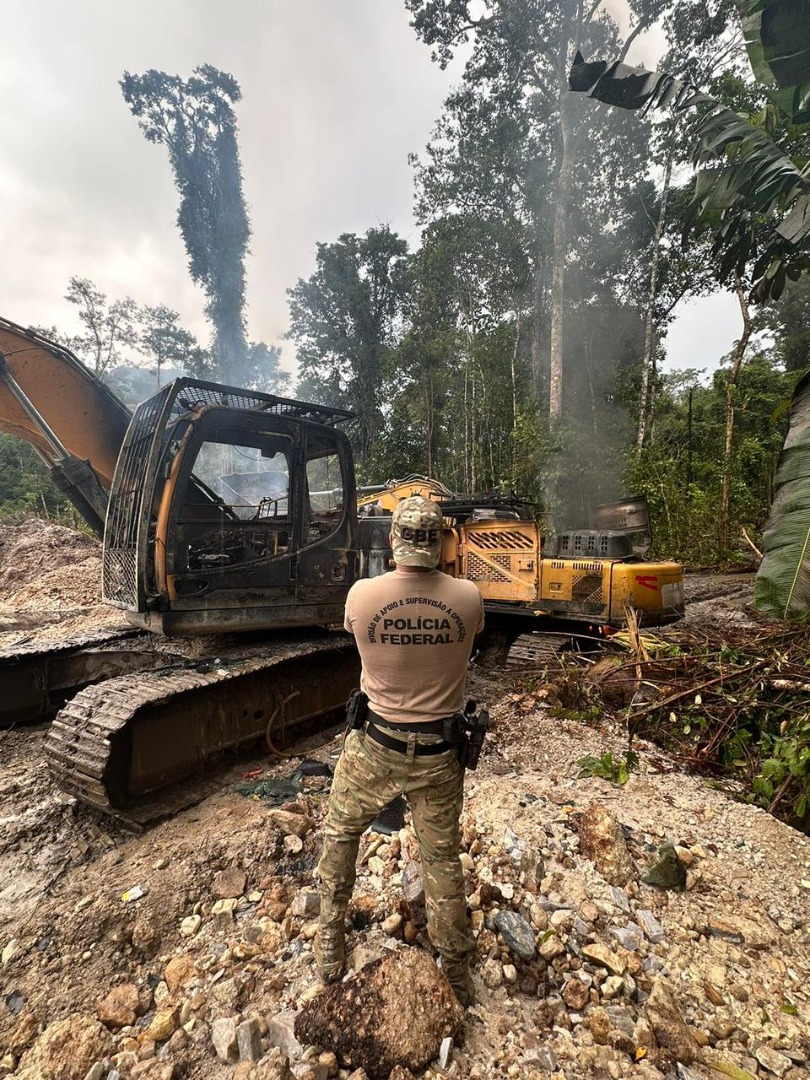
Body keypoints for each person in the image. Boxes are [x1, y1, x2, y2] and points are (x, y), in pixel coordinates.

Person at [315, 495, 485, 1006]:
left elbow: (358, 638)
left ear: (394, 541)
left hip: (376, 746)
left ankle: (330, 947)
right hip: (439, 754)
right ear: (442, 543)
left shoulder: (362, 596)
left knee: (342, 833)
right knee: (441, 860)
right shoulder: (469, 598)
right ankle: (455, 972)